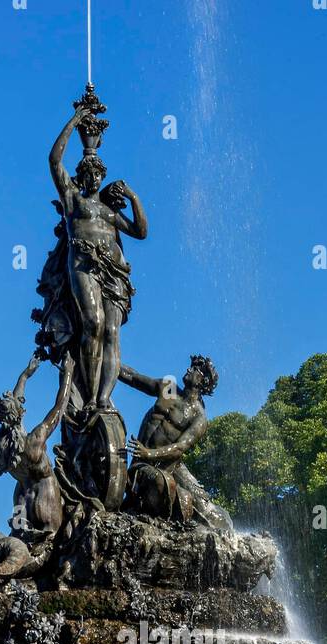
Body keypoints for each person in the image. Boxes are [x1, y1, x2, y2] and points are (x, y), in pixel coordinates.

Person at [45, 104, 148, 412]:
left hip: (112, 271)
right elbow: (54, 159)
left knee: (111, 332)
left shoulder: (107, 211)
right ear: (83, 175)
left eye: (99, 176)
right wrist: (76, 118)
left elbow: (141, 232)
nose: (95, 180)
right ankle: (90, 397)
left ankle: (102, 399)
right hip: (82, 264)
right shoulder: (73, 200)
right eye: (91, 174)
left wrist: (132, 196)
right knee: (94, 324)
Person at [120, 355, 232, 531]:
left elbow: (180, 447)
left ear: (203, 380)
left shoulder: (198, 417)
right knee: (164, 484)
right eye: (191, 367)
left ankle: (226, 534)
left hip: (169, 463)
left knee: (208, 510)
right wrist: (109, 360)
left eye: (195, 369)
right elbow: (133, 377)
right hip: (144, 461)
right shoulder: (169, 389)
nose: (188, 370)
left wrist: (149, 452)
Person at [0, 352, 75, 538]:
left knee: (19, 540)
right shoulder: (35, 439)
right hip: (45, 499)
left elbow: (15, 401)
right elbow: (59, 408)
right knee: (49, 542)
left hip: (20, 501)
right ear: (20, 414)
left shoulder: (0, 443)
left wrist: (25, 376)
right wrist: (68, 374)